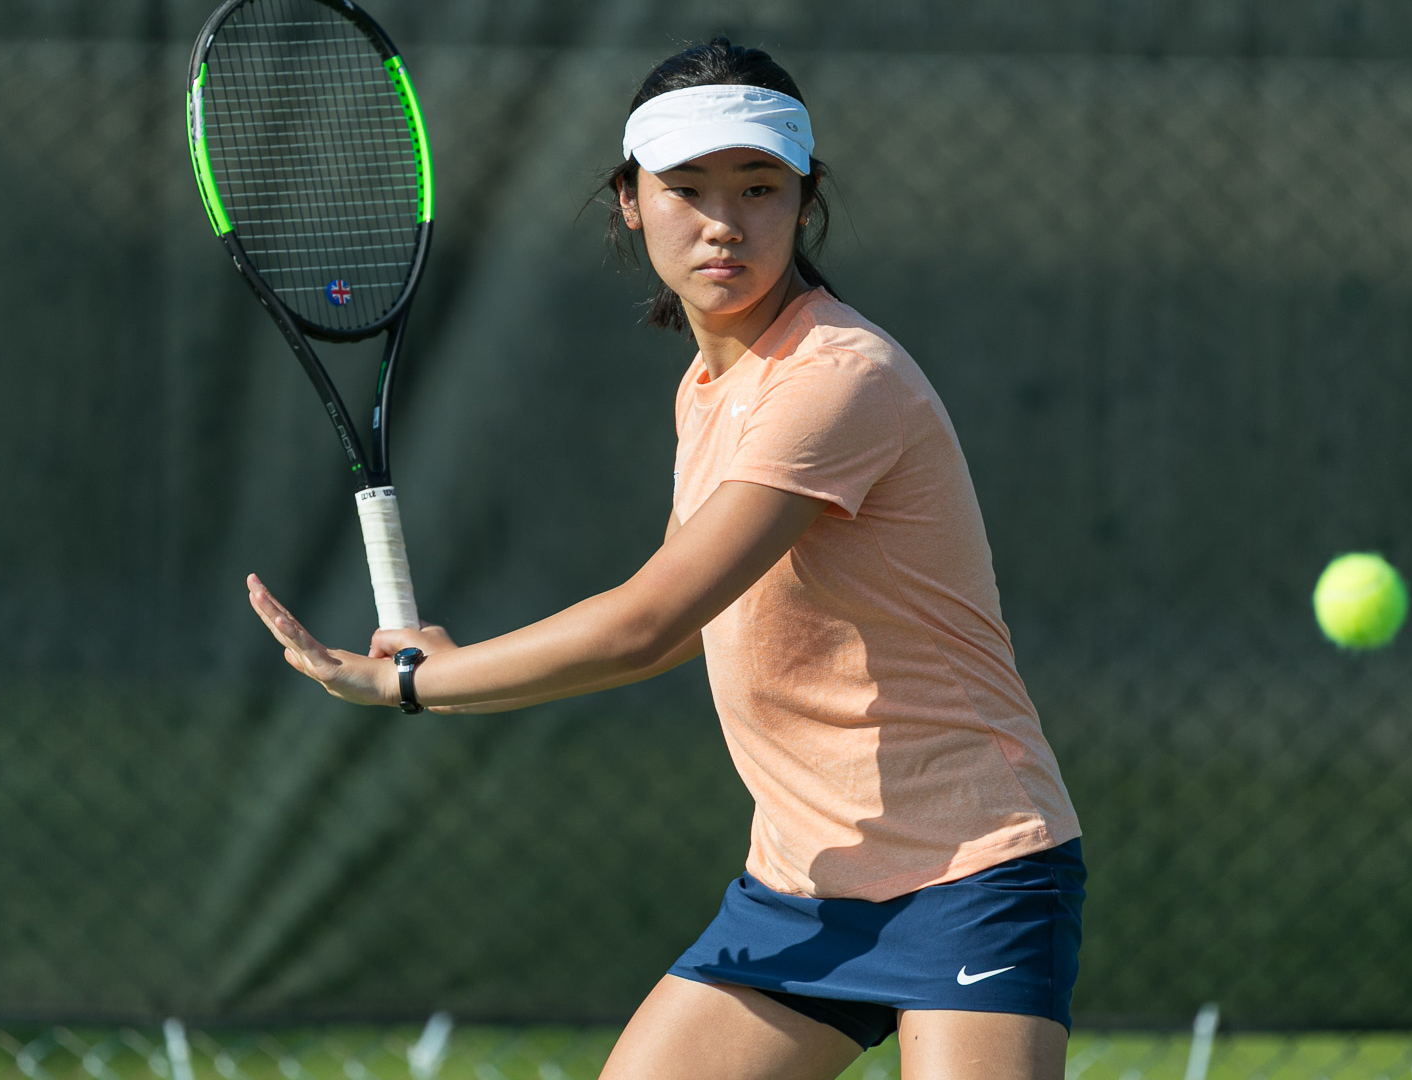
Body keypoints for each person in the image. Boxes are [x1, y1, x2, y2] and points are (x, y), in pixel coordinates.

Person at [246, 36, 1084, 1080]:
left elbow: (644, 619)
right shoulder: (707, 392)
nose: (724, 222)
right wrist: (445, 677)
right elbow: (680, 632)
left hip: (971, 868)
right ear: (630, 201)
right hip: (804, 879)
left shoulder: (837, 379)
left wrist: (413, 681)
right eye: (686, 188)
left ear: (804, 203)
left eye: (758, 187)